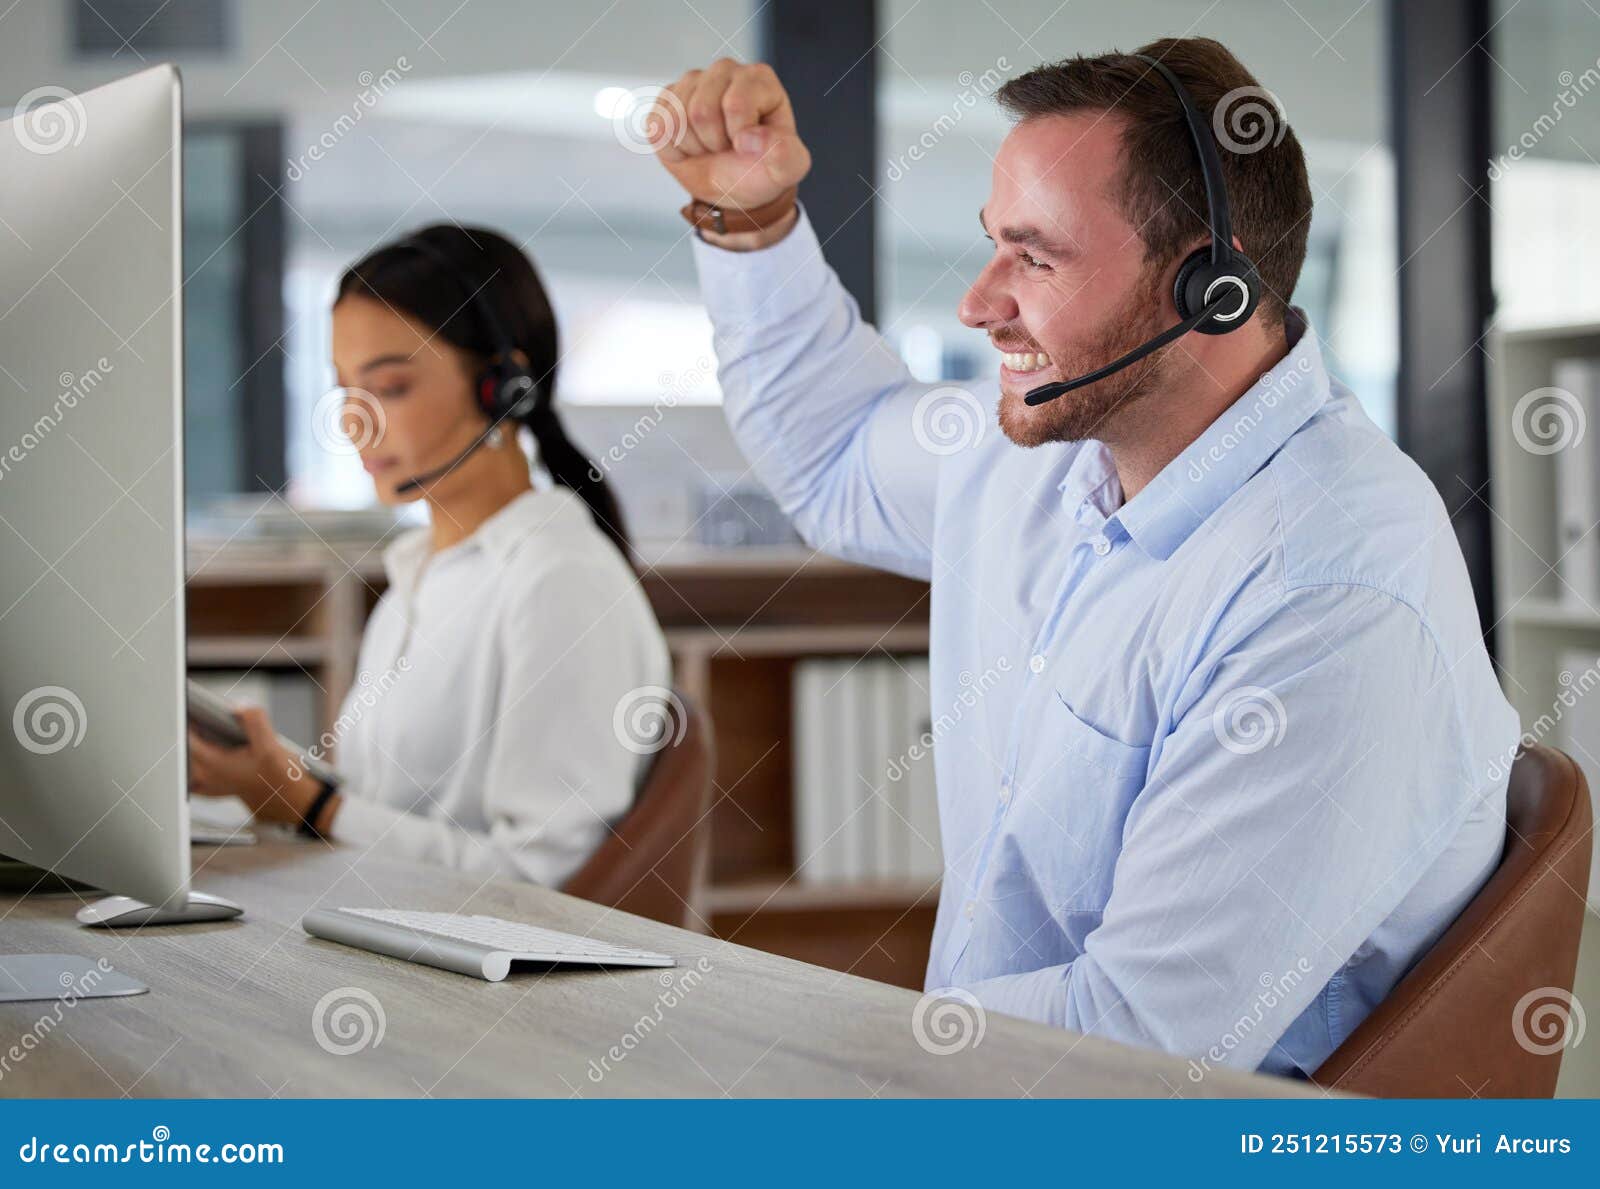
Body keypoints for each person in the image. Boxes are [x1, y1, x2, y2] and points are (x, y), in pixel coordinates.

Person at [650, 39, 1520, 1077]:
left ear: (1212, 289)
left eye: (1035, 256)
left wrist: (809, 1054)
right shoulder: (1052, 451)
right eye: (992, 246)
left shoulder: (1328, 582)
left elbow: (1139, 1044)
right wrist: (749, 224)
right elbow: (835, 453)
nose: (976, 304)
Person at [188, 224, 671, 887]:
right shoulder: (420, 572)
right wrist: (279, 784)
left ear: (504, 388)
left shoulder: (560, 580)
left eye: (389, 387)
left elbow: (544, 880)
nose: (356, 422)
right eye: (346, 389)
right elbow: (388, 809)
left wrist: (314, 806)